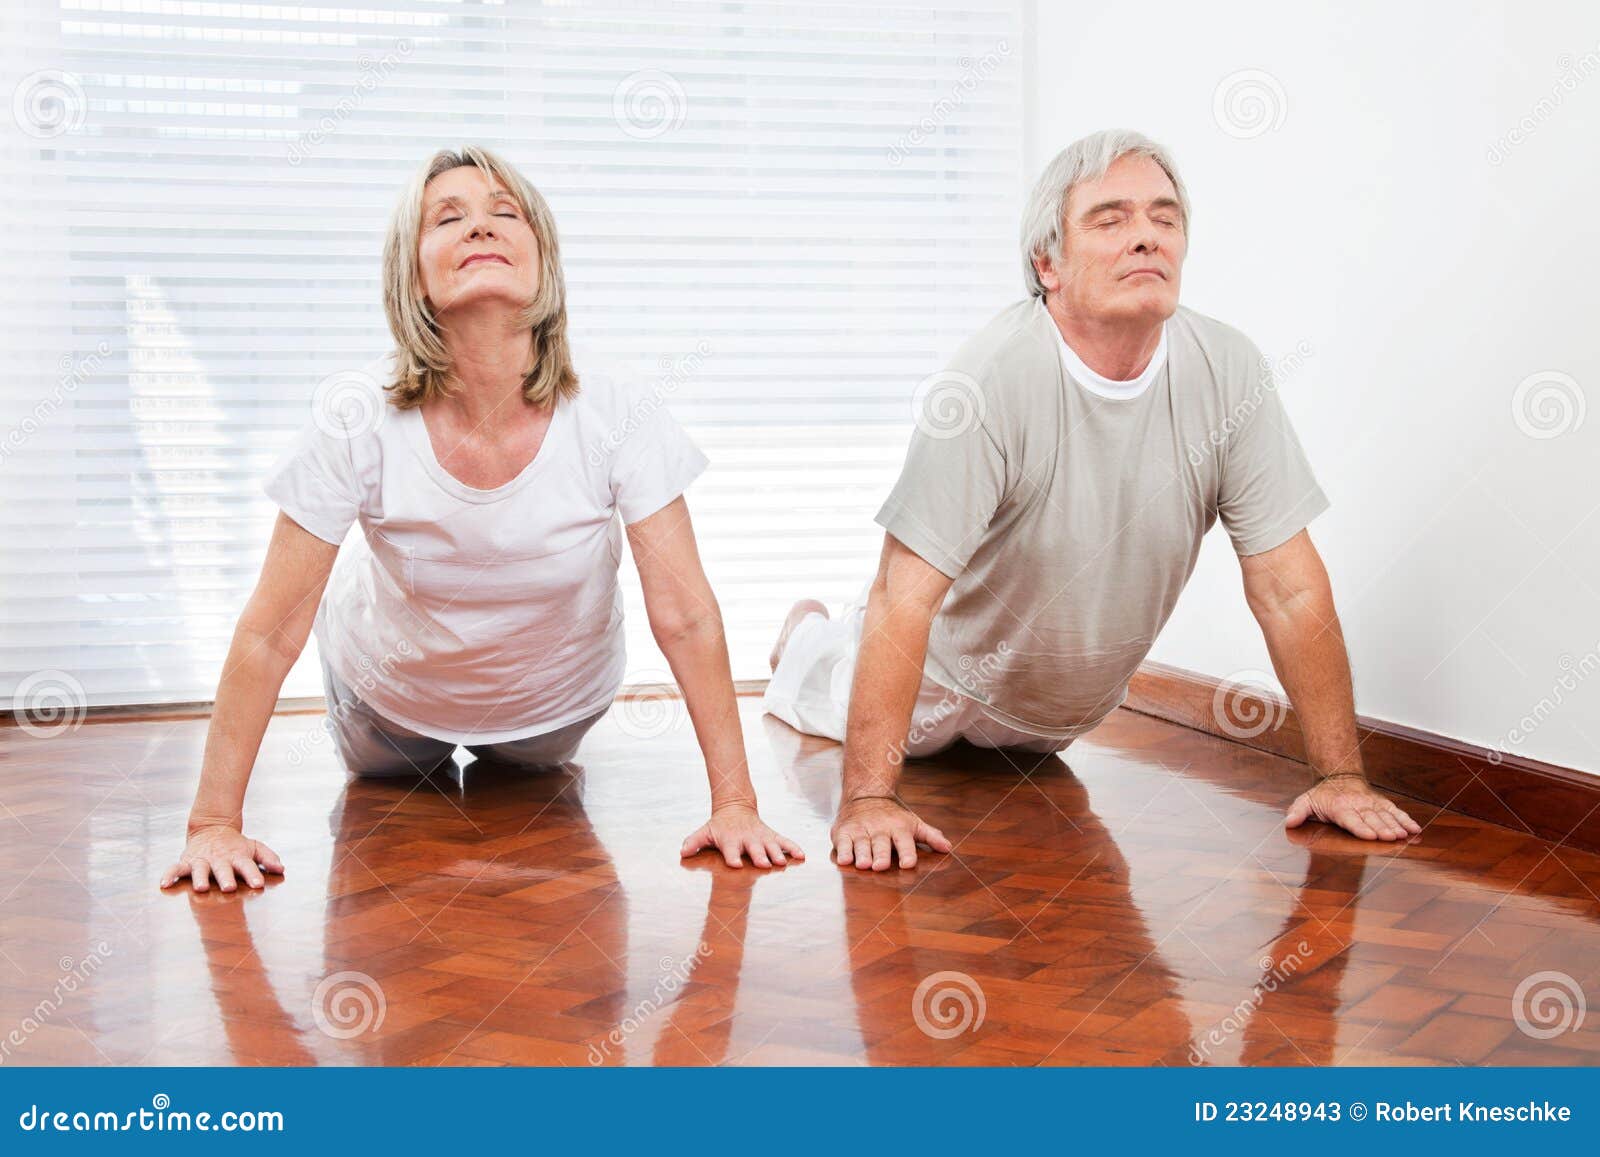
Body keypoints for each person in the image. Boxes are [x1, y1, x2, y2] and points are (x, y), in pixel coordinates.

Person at [763, 128, 1422, 871]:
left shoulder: (1229, 373)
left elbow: (1289, 588)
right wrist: (868, 800)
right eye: (1111, 220)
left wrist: (1339, 775)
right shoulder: (989, 379)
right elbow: (902, 598)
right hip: (940, 687)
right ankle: (806, 635)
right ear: (1047, 264)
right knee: (829, 673)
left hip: (1056, 715)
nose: (1146, 236)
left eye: (1164, 218)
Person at [160, 145, 802, 893]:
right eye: (449, 216)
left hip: (552, 707)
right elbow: (270, 629)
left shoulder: (620, 409)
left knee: (520, 780)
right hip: (389, 705)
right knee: (399, 779)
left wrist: (736, 804)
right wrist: (212, 823)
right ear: (413, 275)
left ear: (543, 265)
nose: (481, 227)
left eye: (506, 212)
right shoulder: (355, 416)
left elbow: (686, 615)